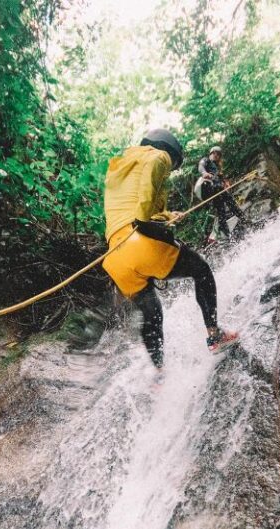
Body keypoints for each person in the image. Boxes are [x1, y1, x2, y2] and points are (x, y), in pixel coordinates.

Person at [102, 128, 239, 368]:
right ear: (168, 148)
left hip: (116, 256)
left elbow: (132, 207)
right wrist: (146, 223)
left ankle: (159, 373)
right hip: (140, 243)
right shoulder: (158, 155)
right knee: (201, 271)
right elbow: (143, 209)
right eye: (174, 164)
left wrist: (166, 216)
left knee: (152, 313)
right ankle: (215, 335)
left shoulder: (121, 167)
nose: (171, 168)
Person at [196, 145, 244, 239]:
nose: (216, 155)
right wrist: (204, 173)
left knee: (232, 205)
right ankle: (227, 235)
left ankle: (243, 221)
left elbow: (222, 178)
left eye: (218, 154)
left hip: (220, 189)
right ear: (211, 153)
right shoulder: (206, 160)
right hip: (213, 190)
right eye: (215, 153)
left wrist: (226, 183)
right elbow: (201, 167)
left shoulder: (216, 167)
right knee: (222, 211)